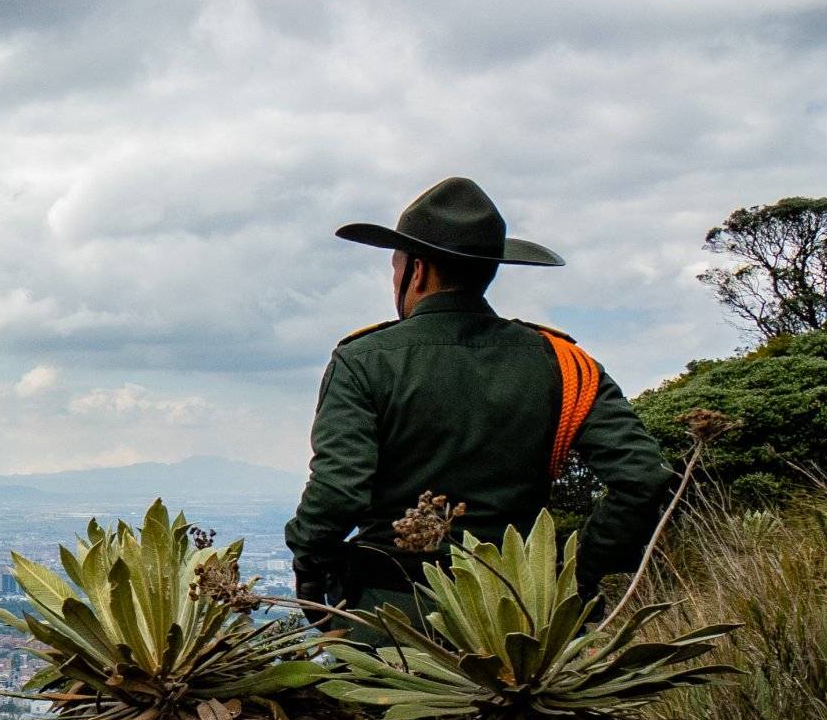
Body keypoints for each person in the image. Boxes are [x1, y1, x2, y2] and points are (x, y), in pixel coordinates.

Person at [286, 176, 671, 612]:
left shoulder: (364, 360)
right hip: (524, 612)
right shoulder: (566, 363)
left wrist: (312, 569)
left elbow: (338, 493)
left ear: (418, 270)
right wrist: (578, 571)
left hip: (393, 614)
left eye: (395, 264)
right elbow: (643, 477)